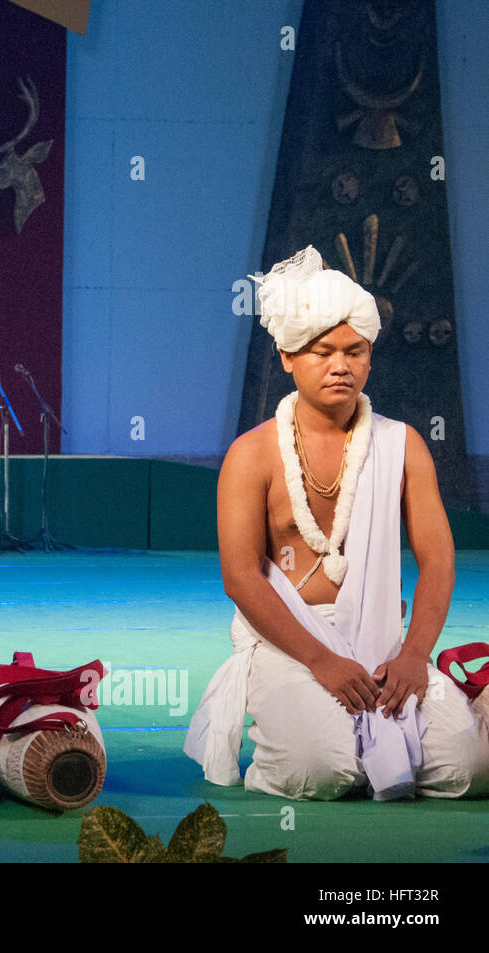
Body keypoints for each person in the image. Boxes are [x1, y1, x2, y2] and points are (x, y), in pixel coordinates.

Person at [185, 246, 489, 800]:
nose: (340, 365)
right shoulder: (251, 455)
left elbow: (439, 558)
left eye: (355, 351)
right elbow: (241, 577)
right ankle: (281, 724)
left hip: (381, 640)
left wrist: (414, 655)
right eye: (322, 352)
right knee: (322, 771)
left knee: (470, 769)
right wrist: (322, 660)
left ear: (371, 356)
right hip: (290, 643)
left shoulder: (402, 446)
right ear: (287, 357)